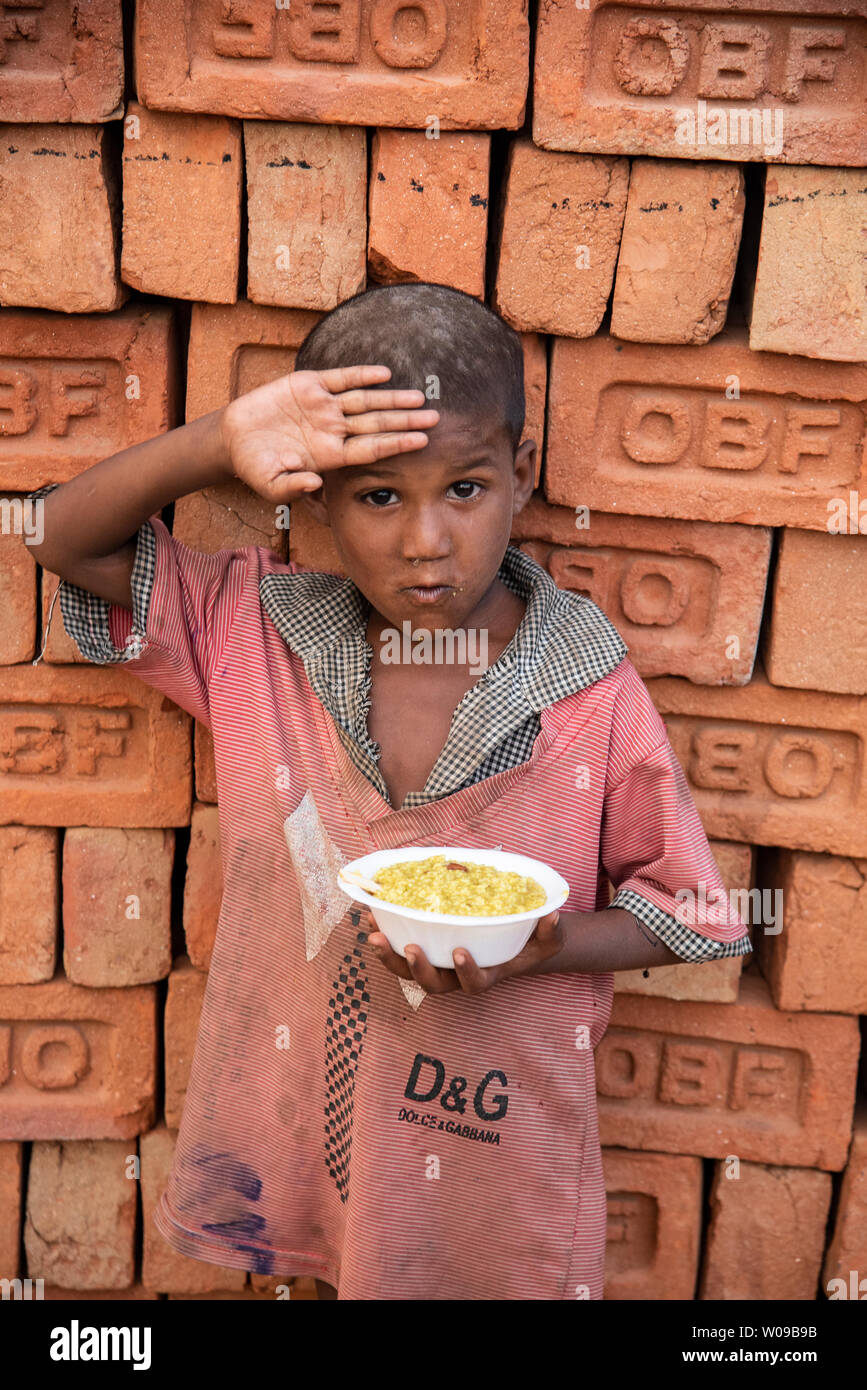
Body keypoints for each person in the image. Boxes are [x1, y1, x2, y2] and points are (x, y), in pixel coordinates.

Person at [26, 282, 752, 1300]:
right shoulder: (259, 638)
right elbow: (53, 536)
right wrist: (217, 440)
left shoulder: (585, 690)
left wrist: (547, 948)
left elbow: (695, 909)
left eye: (465, 489)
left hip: (493, 1142)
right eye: (378, 496)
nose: (426, 541)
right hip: (309, 1126)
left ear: (523, 476)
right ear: (317, 497)